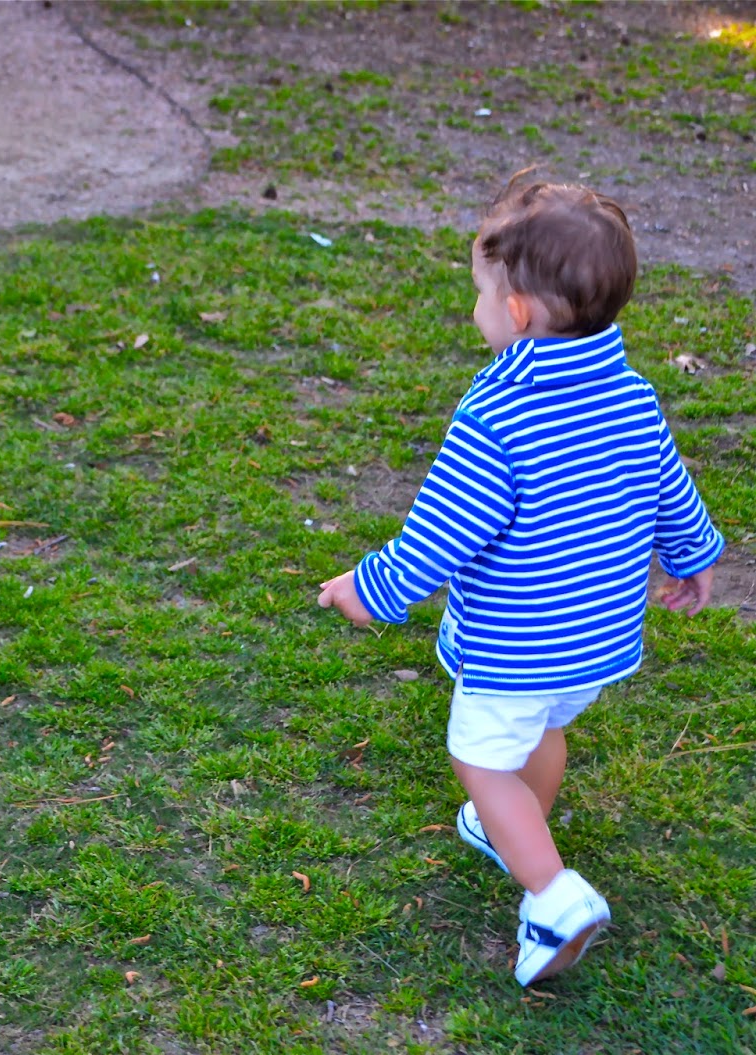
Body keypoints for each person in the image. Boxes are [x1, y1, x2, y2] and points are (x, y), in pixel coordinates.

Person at [317, 170, 724, 986]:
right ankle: (509, 824)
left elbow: (441, 533)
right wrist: (694, 554)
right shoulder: (633, 394)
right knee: (540, 730)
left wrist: (372, 588)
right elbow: (668, 484)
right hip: (596, 641)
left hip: (518, 642)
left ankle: (552, 893)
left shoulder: (496, 417)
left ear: (516, 313)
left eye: (477, 293)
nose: (473, 309)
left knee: (481, 754)